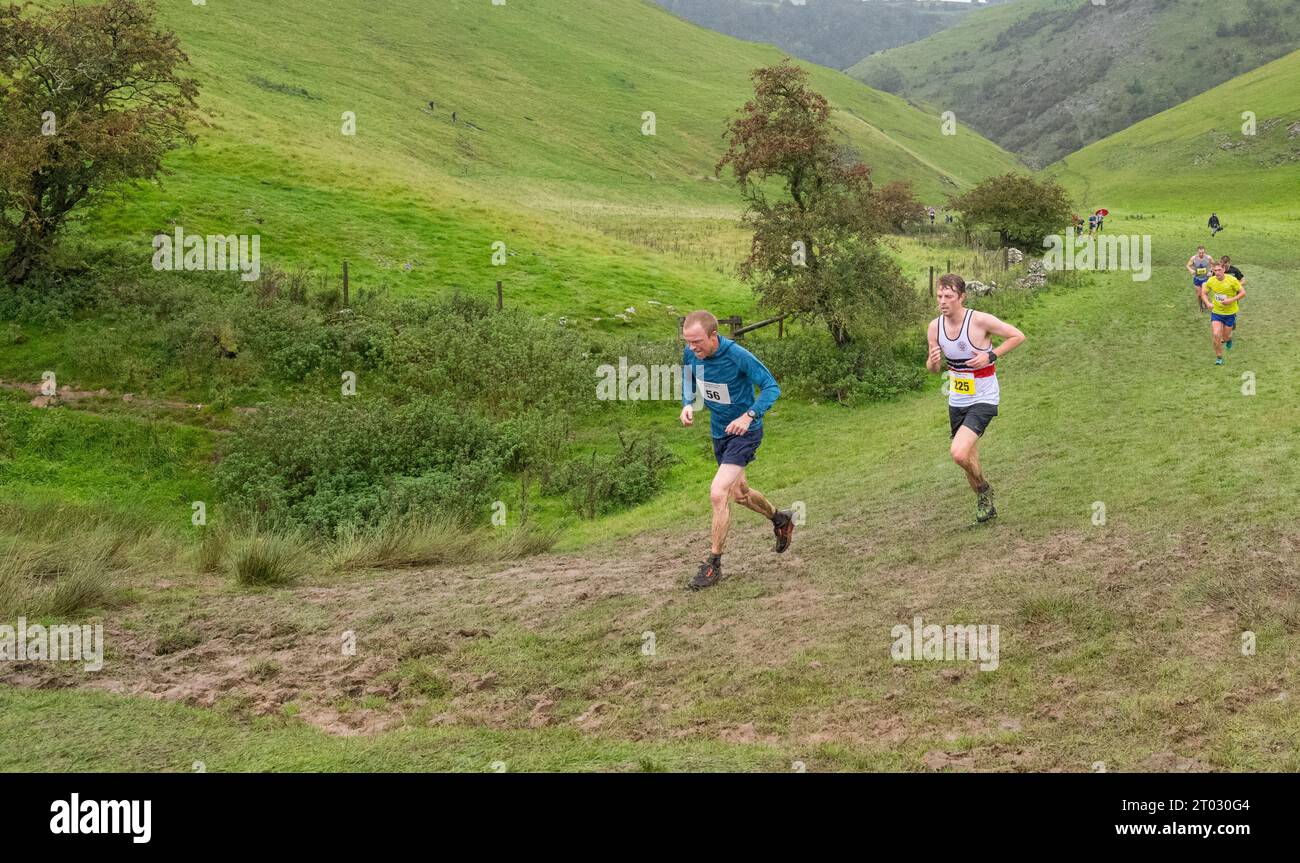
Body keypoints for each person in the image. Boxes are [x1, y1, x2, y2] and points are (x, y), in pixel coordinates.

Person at [679, 310, 793, 590]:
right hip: (721, 433)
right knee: (740, 494)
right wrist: (687, 403)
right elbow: (689, 378)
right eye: (688, 342)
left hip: (746, 432)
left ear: (713, 336)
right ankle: (781, 518)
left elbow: (771, 387)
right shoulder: (691, 354)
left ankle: (713, 565)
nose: (692, 348)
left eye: (697, 342)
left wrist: (749, 416)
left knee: (718, 493)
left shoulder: (737, 355)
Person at [926, 274, 1026, 523]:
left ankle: (983, 490)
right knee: (968, 458)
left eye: (948, 296)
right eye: (939, 296)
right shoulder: (934, 327)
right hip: (957, 399)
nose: (942, 301)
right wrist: (933, 362)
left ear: (962, 297)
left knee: (958, 454)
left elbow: (1017, 336)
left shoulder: (979, 321)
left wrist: (991, 356)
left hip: (984, 396)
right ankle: (985, 504)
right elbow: (932, 369)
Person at [1199, 262, 1244, 365]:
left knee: (1226, 336)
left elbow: (1243, 293)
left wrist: (1231, 300)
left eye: (1219, 270)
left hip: (1230, 313)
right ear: (1213, 271)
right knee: (1216, 335)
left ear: (1224, 269)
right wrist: (1207, 303)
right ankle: (1219, 357)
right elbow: (1204, 293)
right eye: (1215, 270)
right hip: (1217, 312)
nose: (1217, 272)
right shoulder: (1211, 281)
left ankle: (1229, 340)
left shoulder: (1232, 280)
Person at [1186, 246, 1215, 311]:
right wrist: (1191, 270)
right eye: (1200, 253)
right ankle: (1200, 306)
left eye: (1202, 253)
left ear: (1205, 252)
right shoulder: (1194, 258)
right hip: (1197, 278)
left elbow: (1214, 265)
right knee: (1199, 295)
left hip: (1205, 278)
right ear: (1197, 252)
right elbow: (1187, 265)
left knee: (1204, 293)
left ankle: (1205, 304)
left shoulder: (1208, 257)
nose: (1201, 254)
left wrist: (1210, 271)